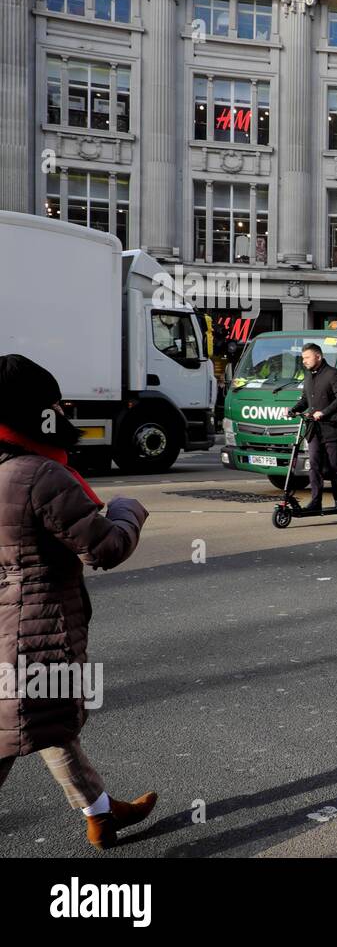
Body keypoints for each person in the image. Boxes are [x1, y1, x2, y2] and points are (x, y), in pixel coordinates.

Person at [0, 355, 157, 850]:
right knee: (18, 728)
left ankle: (101, 812)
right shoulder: (39, 475)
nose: (62, 410)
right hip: (38, 629)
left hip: (9, 622)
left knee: (48, 722)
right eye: (54, 402)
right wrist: (128, 511)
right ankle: (101, 813)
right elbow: (105, 547)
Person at [287, 343, 337, 512]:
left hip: (331, 429)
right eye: (303, 358)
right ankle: (316, 502)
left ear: (318, 357)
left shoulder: (333, 374)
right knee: (314, 466)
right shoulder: (308, 376)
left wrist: (324, 412)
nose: (304, 361)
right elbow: (305, 400)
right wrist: (293, 410)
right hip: (313, 430)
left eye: (307, 357)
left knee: (334, 468)